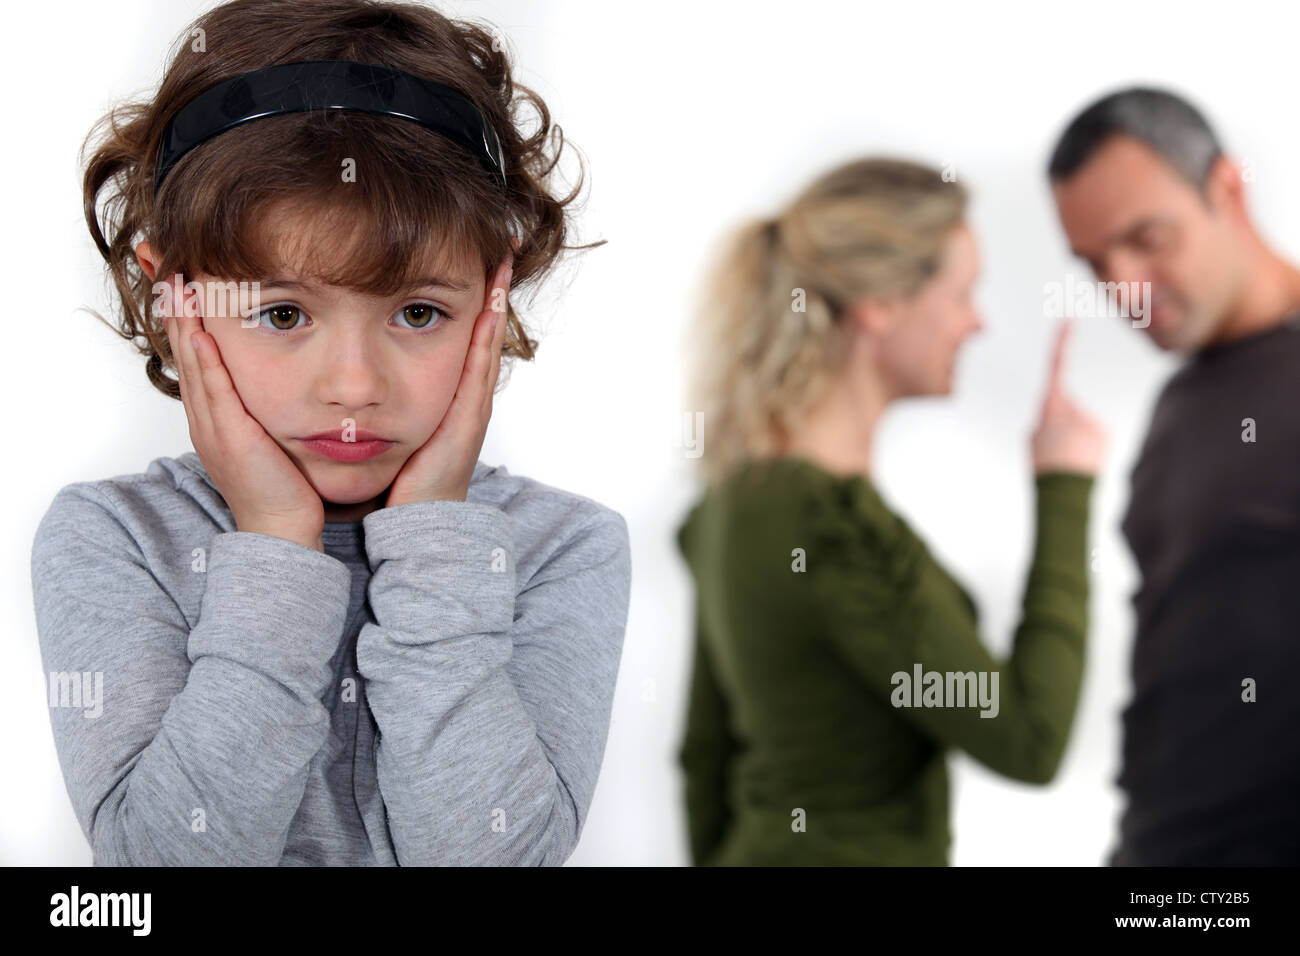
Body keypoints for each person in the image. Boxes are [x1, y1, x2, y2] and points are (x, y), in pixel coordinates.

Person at [31, 0, 630, 866]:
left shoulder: (561, 547)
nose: (354, 385)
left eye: (418, 311)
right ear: (174, 296)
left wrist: (434, 541)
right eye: (282, 313)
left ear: (493, 300)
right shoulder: (112, 539)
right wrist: (276, 542)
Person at [675, 157, 1106, 865]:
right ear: (880, 301)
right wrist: (1065, 485)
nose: (977, 324)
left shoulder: (735, 497)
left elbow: (705, 756)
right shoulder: (832, 530)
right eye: (963, 292)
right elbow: (1031, 738)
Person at [1048, 87, 1300, 865]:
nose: (1124, 286)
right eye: (1095, 264)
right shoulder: (1178, 408)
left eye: (1148, 239)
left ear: (1227, 188)